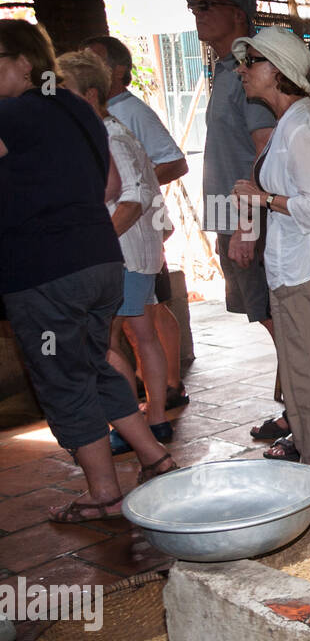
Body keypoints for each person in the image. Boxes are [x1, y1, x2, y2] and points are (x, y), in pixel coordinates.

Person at [0, 20, 176, 523]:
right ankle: (155, 458)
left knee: (62, 379)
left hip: (44, 271)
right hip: (99, 263)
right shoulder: (76, 109)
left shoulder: (11, 115)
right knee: (93, 363)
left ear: (22, 61)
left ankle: (105, 493)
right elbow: (107, 187)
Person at [230, 28, 310, 487]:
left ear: (278, 71)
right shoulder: (292, 124)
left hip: (306, 271)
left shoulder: (301, 128)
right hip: (294, 271)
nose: (242, 71)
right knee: (302, 381)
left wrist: (265, 200)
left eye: (252, 62)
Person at [184, 0, 286, 441]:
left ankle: (299, 415)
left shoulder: (251, 70)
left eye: (208, 4)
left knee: (275, 317)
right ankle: (294, 412)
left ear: (239, 15)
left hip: (249, 217)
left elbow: (265, 149)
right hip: (233, 215)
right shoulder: (227, 70)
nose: (198, 12)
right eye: (195, 6)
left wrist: (247, 225)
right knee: (269, 317)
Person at [56, 50, 173, 454]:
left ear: (89, 95)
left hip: (121, 254)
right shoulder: (107, 132)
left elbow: (134, 198)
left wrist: (96, 243)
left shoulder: (109, 135)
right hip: (133, 253)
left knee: (106, 343)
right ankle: (154, 419)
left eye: (63, 89)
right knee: (141, 335)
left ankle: (132, 424)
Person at [82, 34, 190, 409]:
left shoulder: (128, 115)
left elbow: (176, 162)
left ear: (118, 71)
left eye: (92, 62)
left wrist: (136, 185)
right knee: (141, 319)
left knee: (146, 314)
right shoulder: (103, 120)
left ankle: (166, 389)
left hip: (134, 233)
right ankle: (156, 399)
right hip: (134, 232)